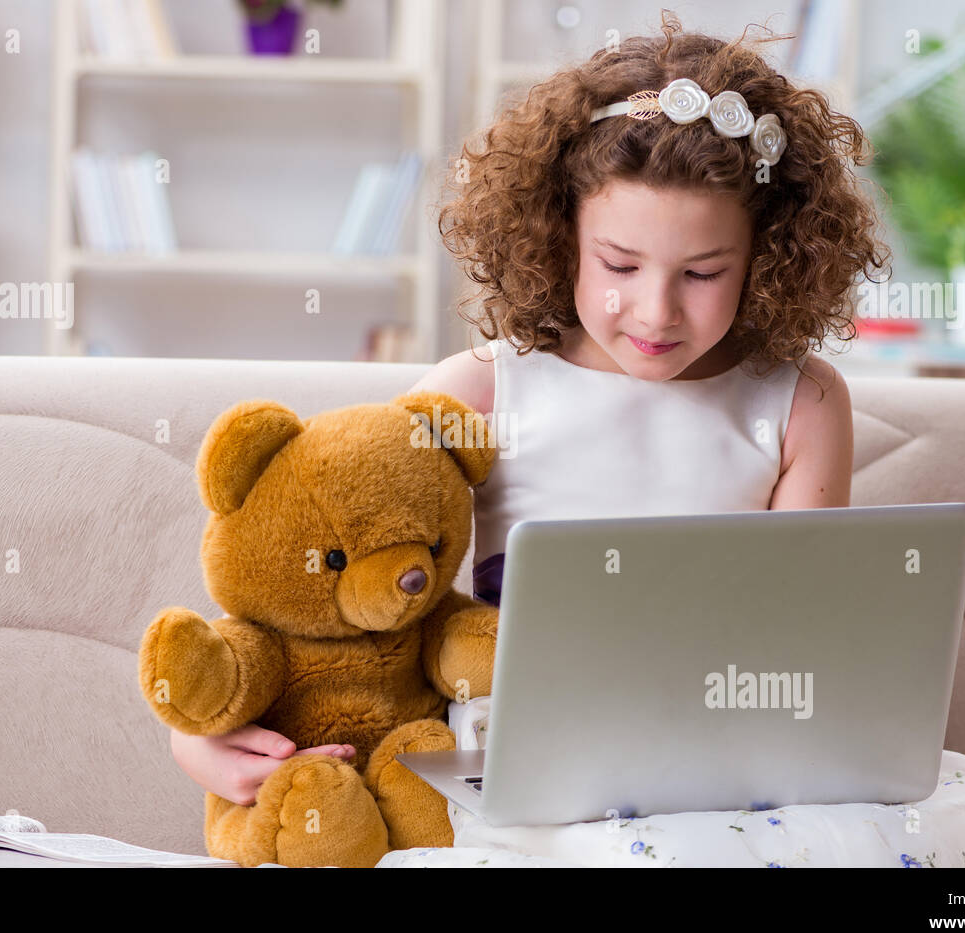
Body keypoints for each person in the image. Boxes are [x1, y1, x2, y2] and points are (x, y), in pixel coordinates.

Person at [171, 11, 891, 807]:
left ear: (768, 256)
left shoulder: (803, 402)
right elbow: (322, 572)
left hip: (719, 772)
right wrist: (201, 728)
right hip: (504, 769)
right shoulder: (480, 391)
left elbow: (805, 644)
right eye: (619, 263)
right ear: (559, 237)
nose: (655, 312)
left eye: (703, 272)